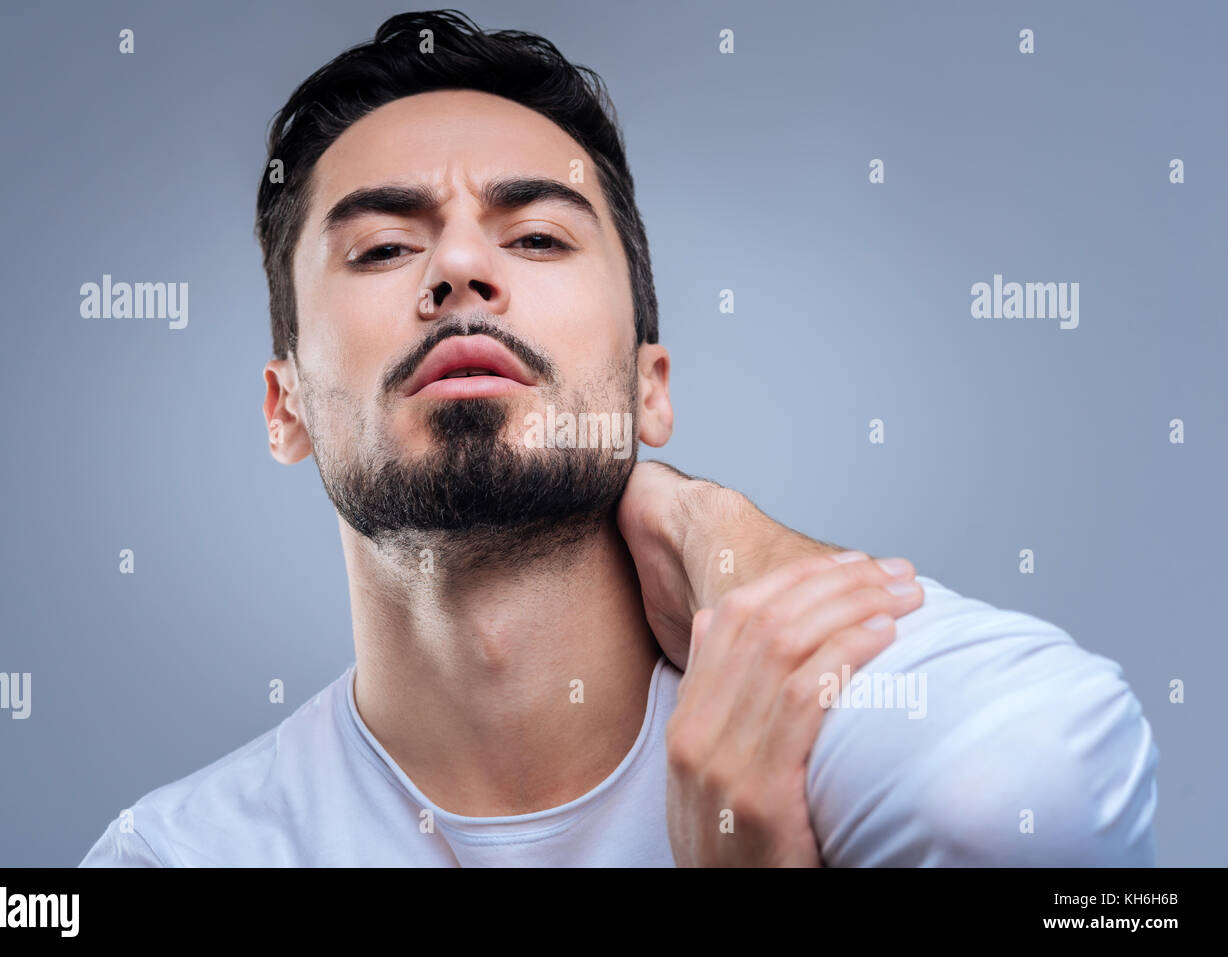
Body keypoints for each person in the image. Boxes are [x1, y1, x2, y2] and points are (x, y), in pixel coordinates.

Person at [80, 10, 1157, 867]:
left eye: (538, 235)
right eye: (381, 248)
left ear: (651, 390)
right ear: (285, 409)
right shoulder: (176, 855)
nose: (459, 269)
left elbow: (1030, 803)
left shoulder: (820, 738)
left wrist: (718, 531)